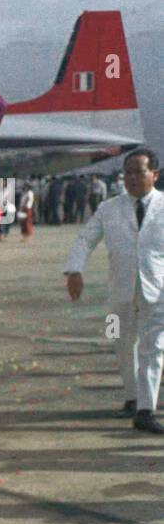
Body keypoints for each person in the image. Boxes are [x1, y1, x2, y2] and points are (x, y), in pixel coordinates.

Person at [64, 149, 164, 433]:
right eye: (127, 172)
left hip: (158, 291)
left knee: (153, 348)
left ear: (154, 175)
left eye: (139, 172)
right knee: (120, 343)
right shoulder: (109, 208)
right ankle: (133, 398)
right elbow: (85, 239)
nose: (132, 178)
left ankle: (145, 410)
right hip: (119, 289)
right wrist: (74, 270)